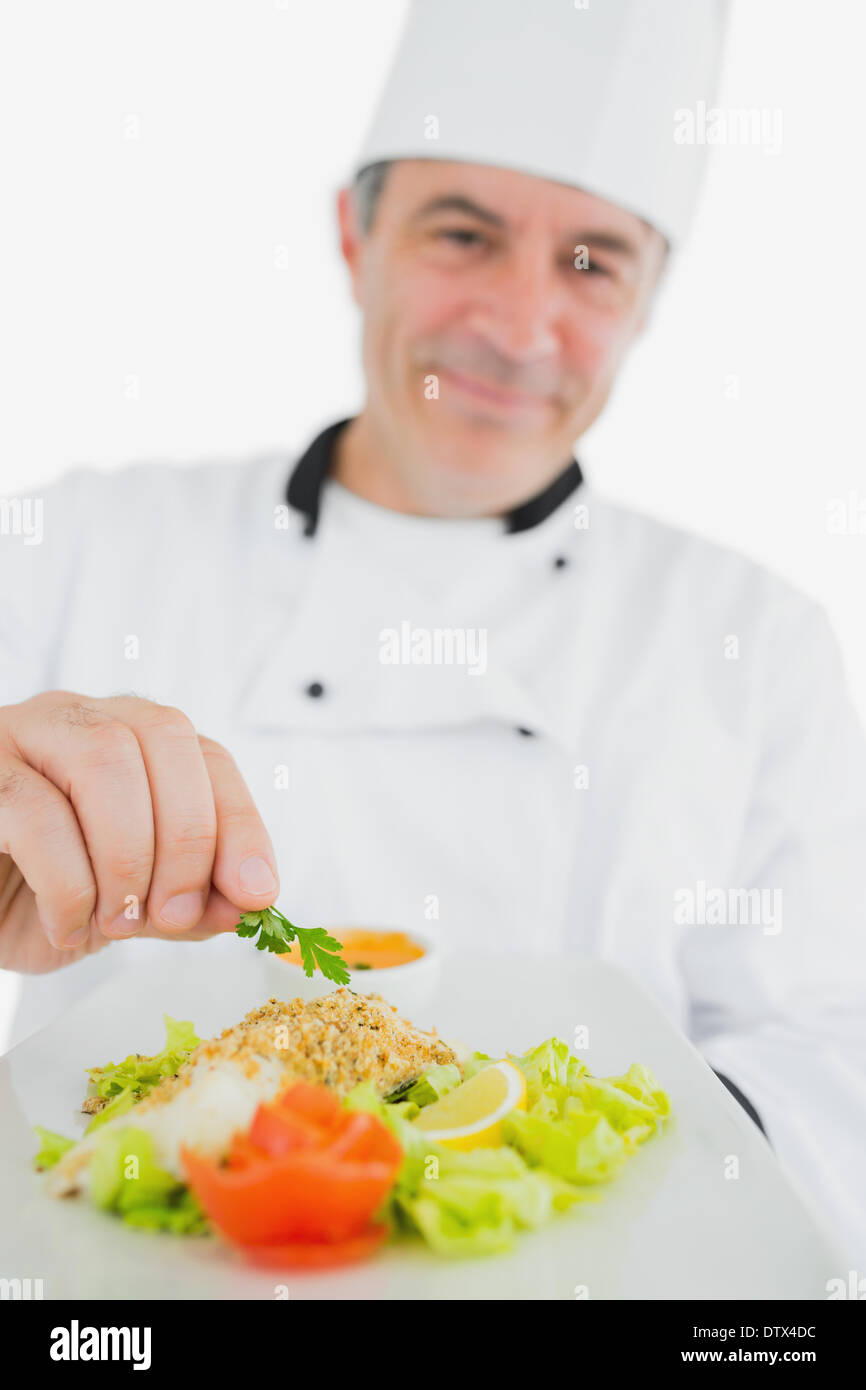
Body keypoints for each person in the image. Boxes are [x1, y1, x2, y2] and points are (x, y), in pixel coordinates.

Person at [1, 0, 865, 1265]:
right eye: (463, 233)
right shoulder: (72, 543)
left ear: (647, 304)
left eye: (592, 261)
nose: (518, 327)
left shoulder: (757, 638)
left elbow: (828, 1061)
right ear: (353, 236)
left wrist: (555, 1172)